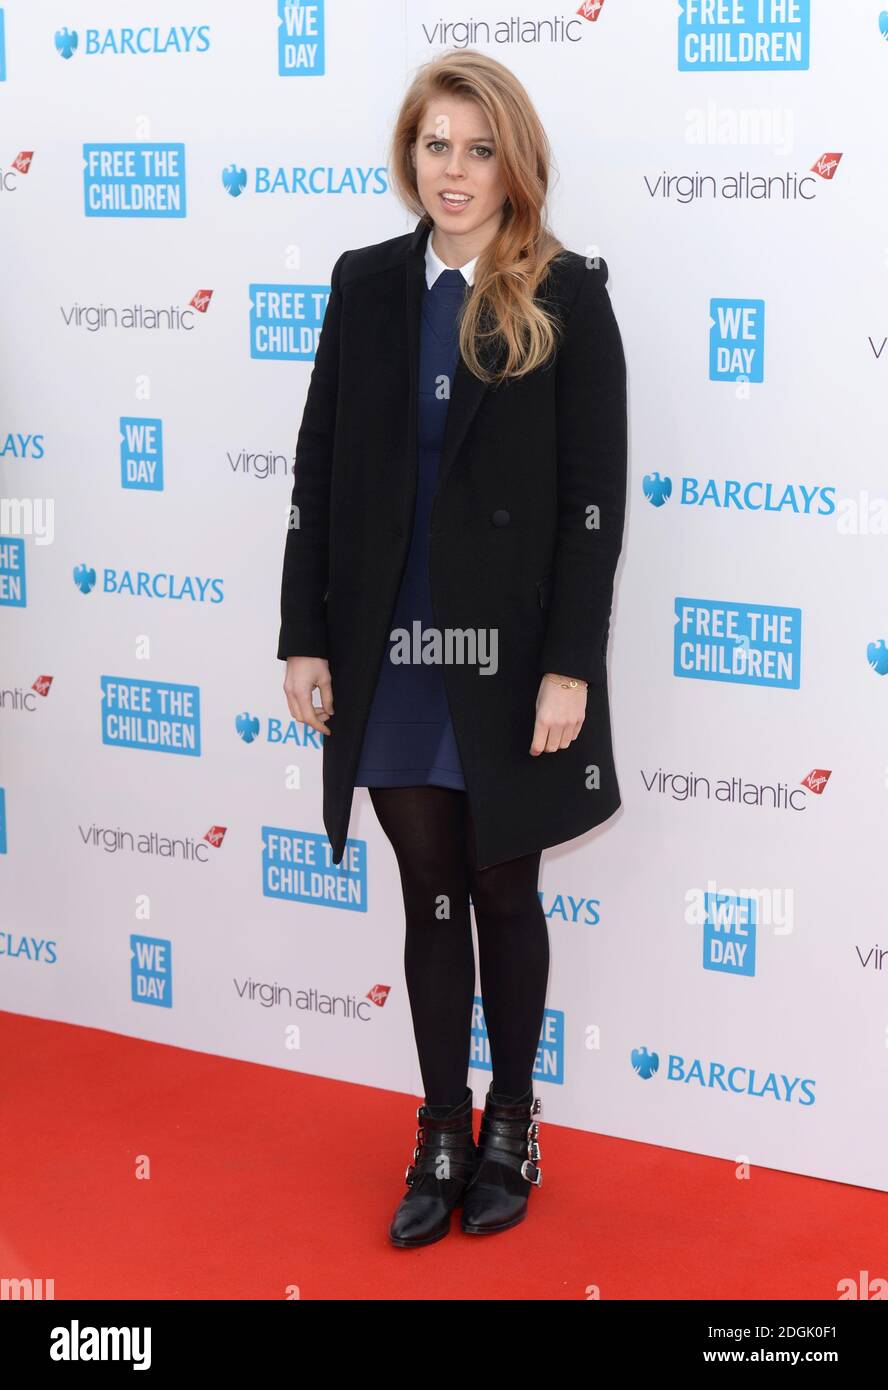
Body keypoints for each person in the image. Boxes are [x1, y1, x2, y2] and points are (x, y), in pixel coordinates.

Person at [277, 49, 627, 1247]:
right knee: (428, 888)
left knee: (501, 884)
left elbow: (593, 499)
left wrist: (570, 666)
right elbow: (318, 468)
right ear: (409, 154)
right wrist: (304, 635)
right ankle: (441, 1126)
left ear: (514, 162)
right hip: (389, 647)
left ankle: (512, 1122)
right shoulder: (366, 282)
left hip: (509, 658)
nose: (456, 170)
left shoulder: (566, 293)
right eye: (437, 145)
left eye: (480, 148)